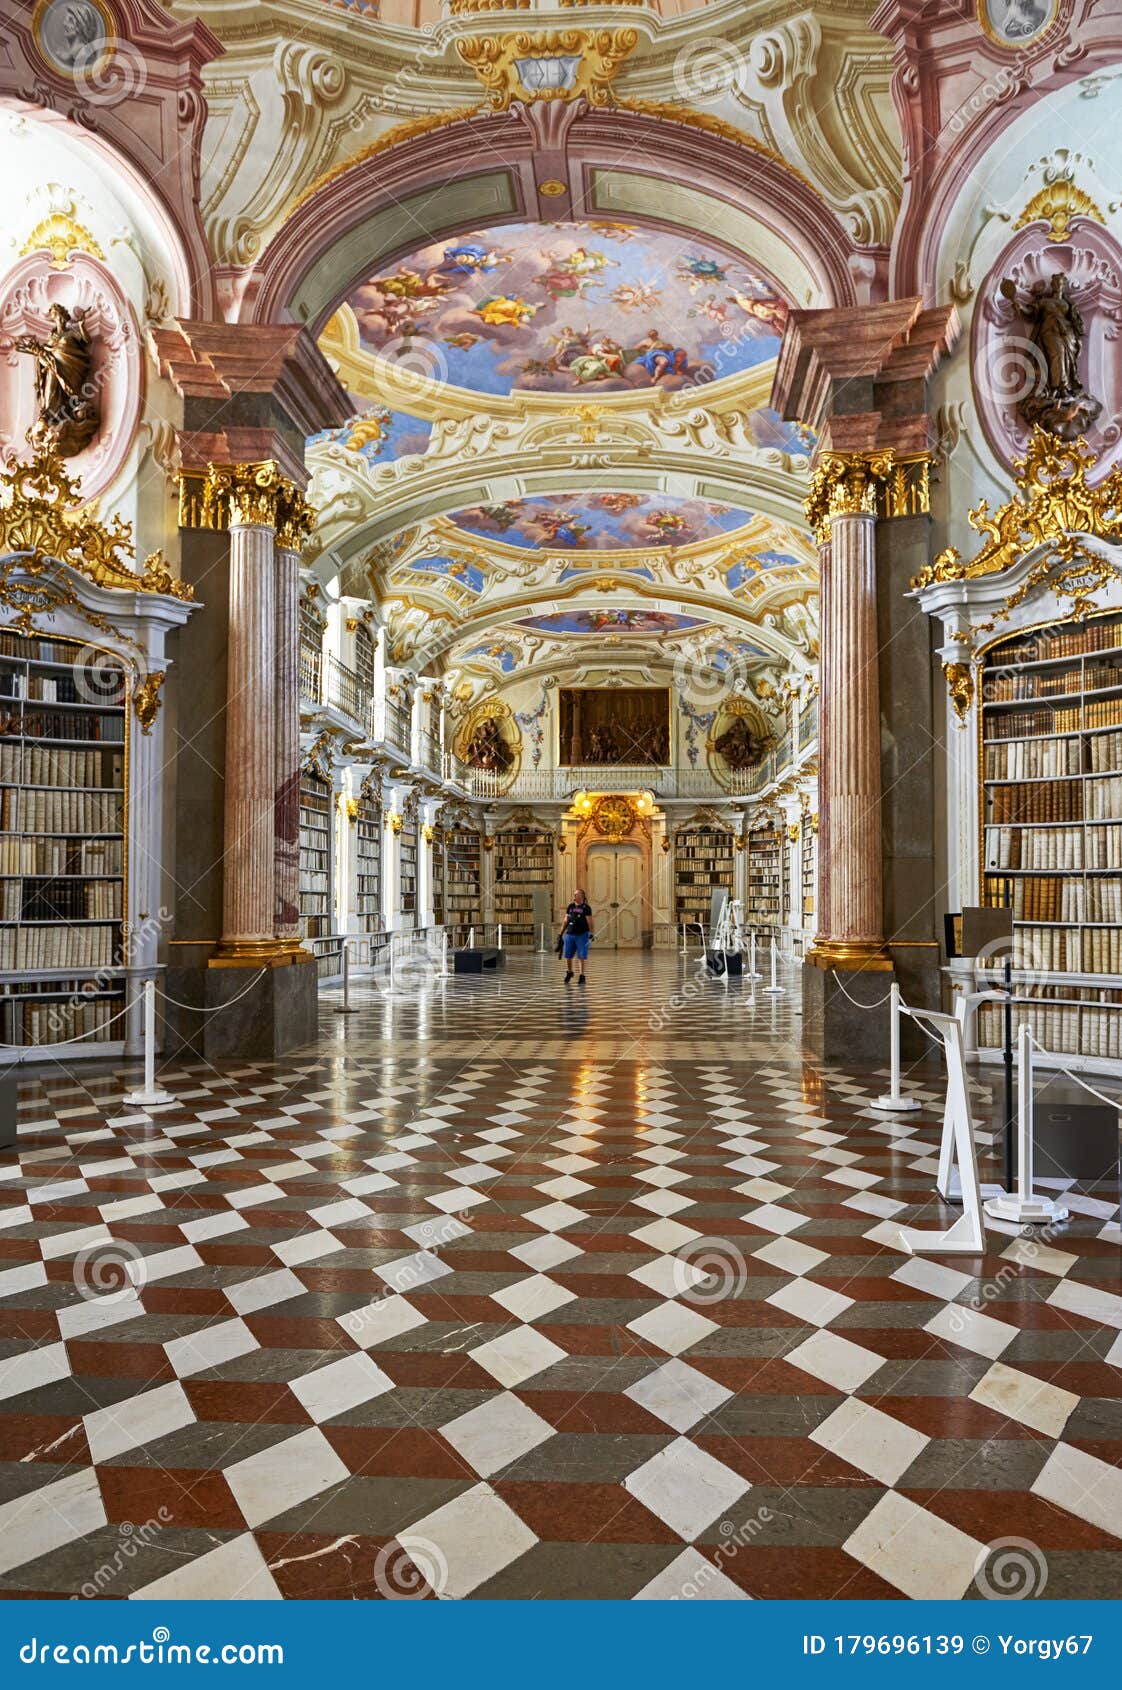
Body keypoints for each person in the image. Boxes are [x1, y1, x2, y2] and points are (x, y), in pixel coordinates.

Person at [560, 887, 594, 985]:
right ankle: (569, 972)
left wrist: (591, 933)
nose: (574, 895)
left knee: (581, 956)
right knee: (568, 955)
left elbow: (590, 921)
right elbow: (566, 920)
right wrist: (560, 933)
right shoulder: (570, 906)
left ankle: (582, 975)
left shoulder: (586, 908)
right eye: (574, 894)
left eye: (576, 894)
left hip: (582, 934)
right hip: (570, 934)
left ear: (582, 896)